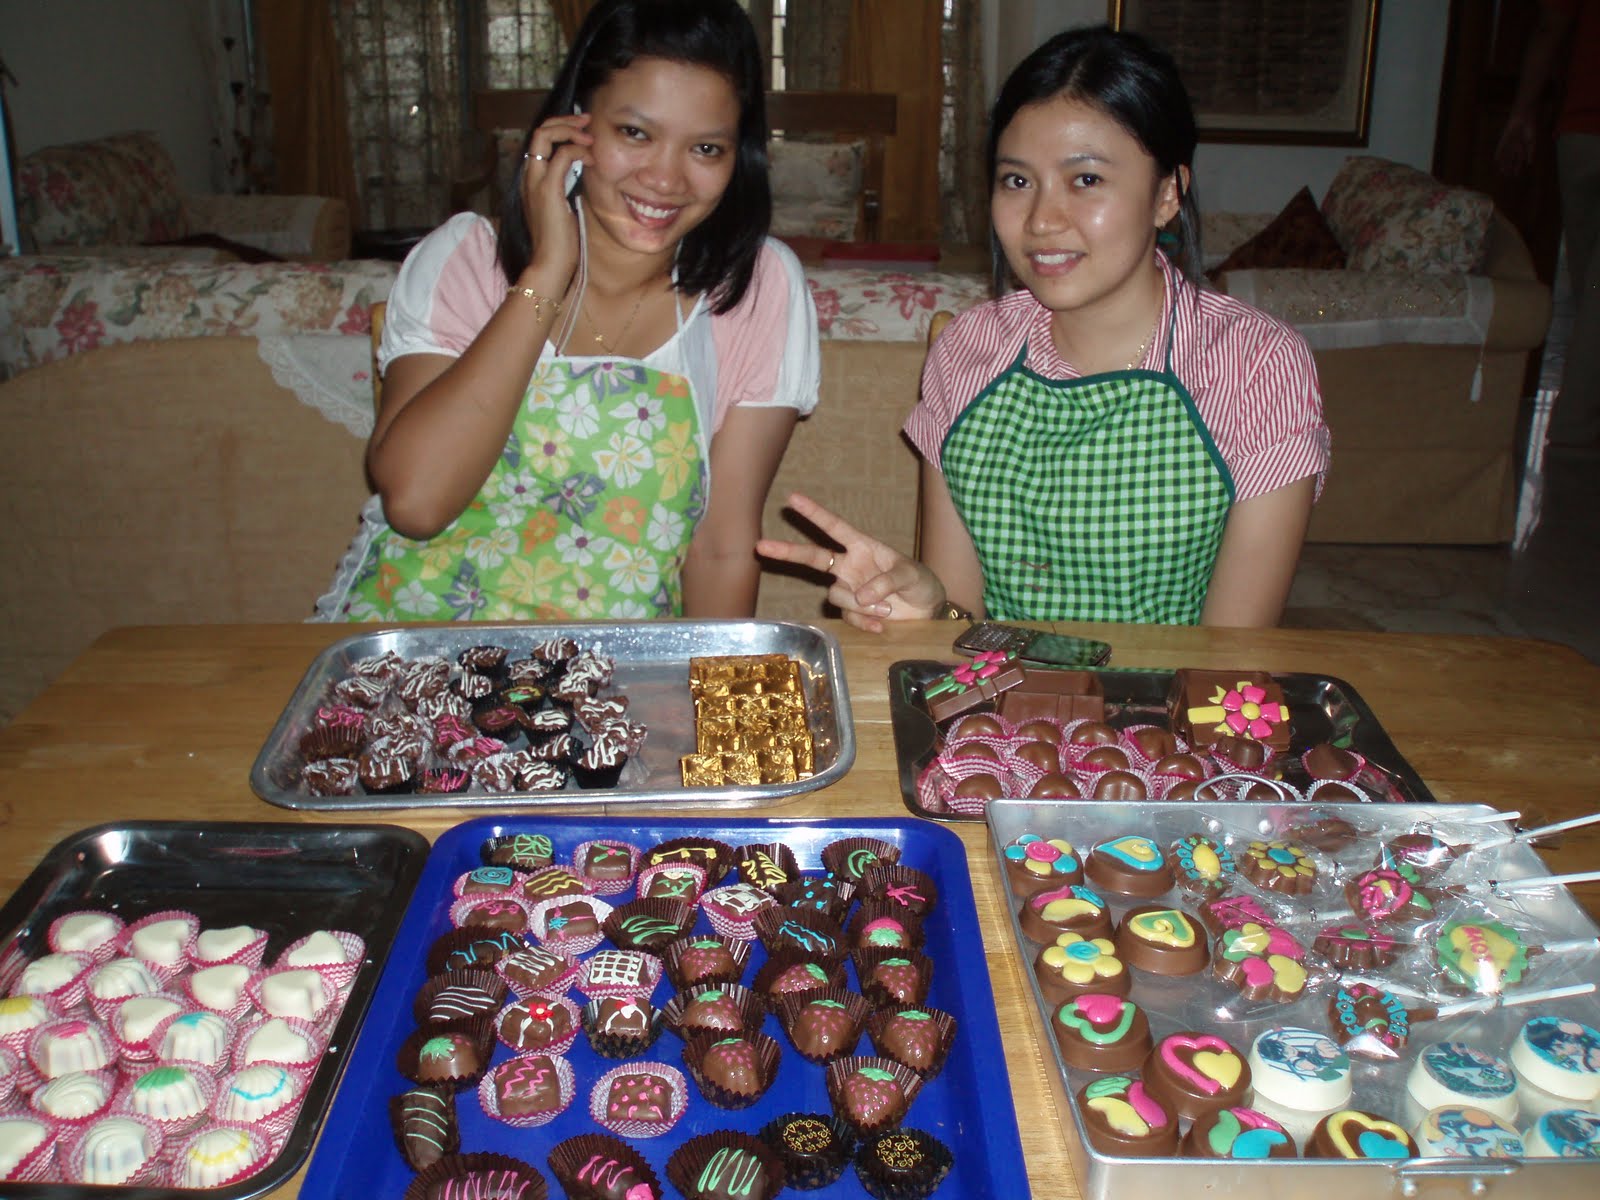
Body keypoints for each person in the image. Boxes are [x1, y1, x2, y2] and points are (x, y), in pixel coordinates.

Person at [758, 26, 1329, 630]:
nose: (1041, 220)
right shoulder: (968, 350)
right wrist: (929, 605)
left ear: (1167, 194)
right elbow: (961, 625)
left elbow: (1233, 654)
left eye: (1086, 179)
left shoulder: (1256, 361)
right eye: (1017, 181)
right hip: (998, 716)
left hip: (1172, 708)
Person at [316, 0, 818, 622]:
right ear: (576, 123)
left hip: (611, 680)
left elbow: (719, 550)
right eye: (635, 133)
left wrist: (722, 714)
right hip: (410, 650)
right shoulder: (466, 258)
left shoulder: (757, 286)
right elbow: (416, 505)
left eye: (706, 148)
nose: (665, 179)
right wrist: (546, 274)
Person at [1496, 0, 1599, 450]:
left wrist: (1523, 110)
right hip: (1580, 135)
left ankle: (1572, 434)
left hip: (1581, 138)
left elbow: (1549, 29)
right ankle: (1573, 437)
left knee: (1588, 294)